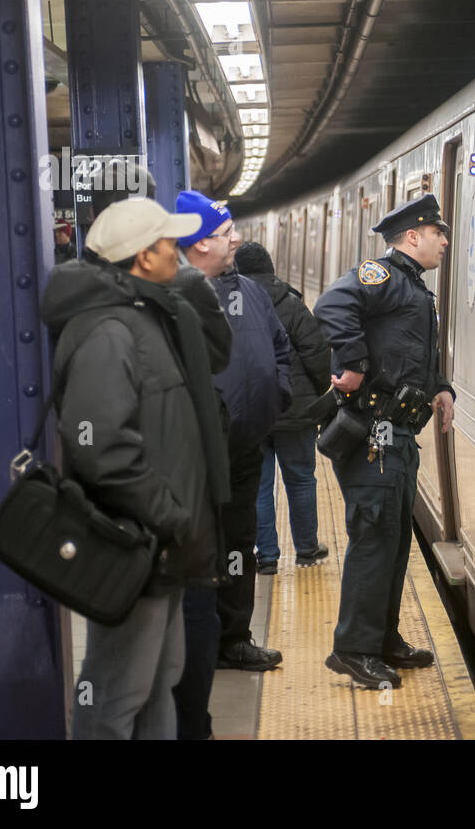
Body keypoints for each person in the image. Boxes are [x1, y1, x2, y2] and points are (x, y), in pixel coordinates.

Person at [40, 198, 226, 739]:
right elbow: (99, 447)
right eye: (170, 244)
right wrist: (169, 515)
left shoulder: (141, 316)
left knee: (158, 681)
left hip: (163, 544)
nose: (179, 254)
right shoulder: (108, 331)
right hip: (136, 543)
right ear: (144, 257)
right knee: (116, 693)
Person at [314, 193, 455, 688]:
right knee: (374, 541)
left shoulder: (413, 288)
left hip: (397, 436)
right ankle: (353, 649)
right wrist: (351, 363)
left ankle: (384, 638)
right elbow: (331, 303)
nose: (444, 241)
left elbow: (412, 351)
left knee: (394, 543)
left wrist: (440, 387)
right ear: (413, 236)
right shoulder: (383, 277)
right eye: (439, 233)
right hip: (374, 433)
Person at [175, 191, 290, 681]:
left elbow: (281, 348)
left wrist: (276, 395)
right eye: (225, 233)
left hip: (245, 446)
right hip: (196, 455)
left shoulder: (251, 291)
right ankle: (194, 641)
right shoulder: (174, 296)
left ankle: (234, 638)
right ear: (199, 244)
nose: (236, 239)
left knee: (240, 545)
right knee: (201, 547)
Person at [234, 242, 332, 575]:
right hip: (296, 411)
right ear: (271, 268)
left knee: (260, 485)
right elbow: (318, 356)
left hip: (252, 413)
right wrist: (314, 397)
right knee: (301, 479)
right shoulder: (292, 304)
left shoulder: (232, 305)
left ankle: (267, 557)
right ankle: (306, 550)